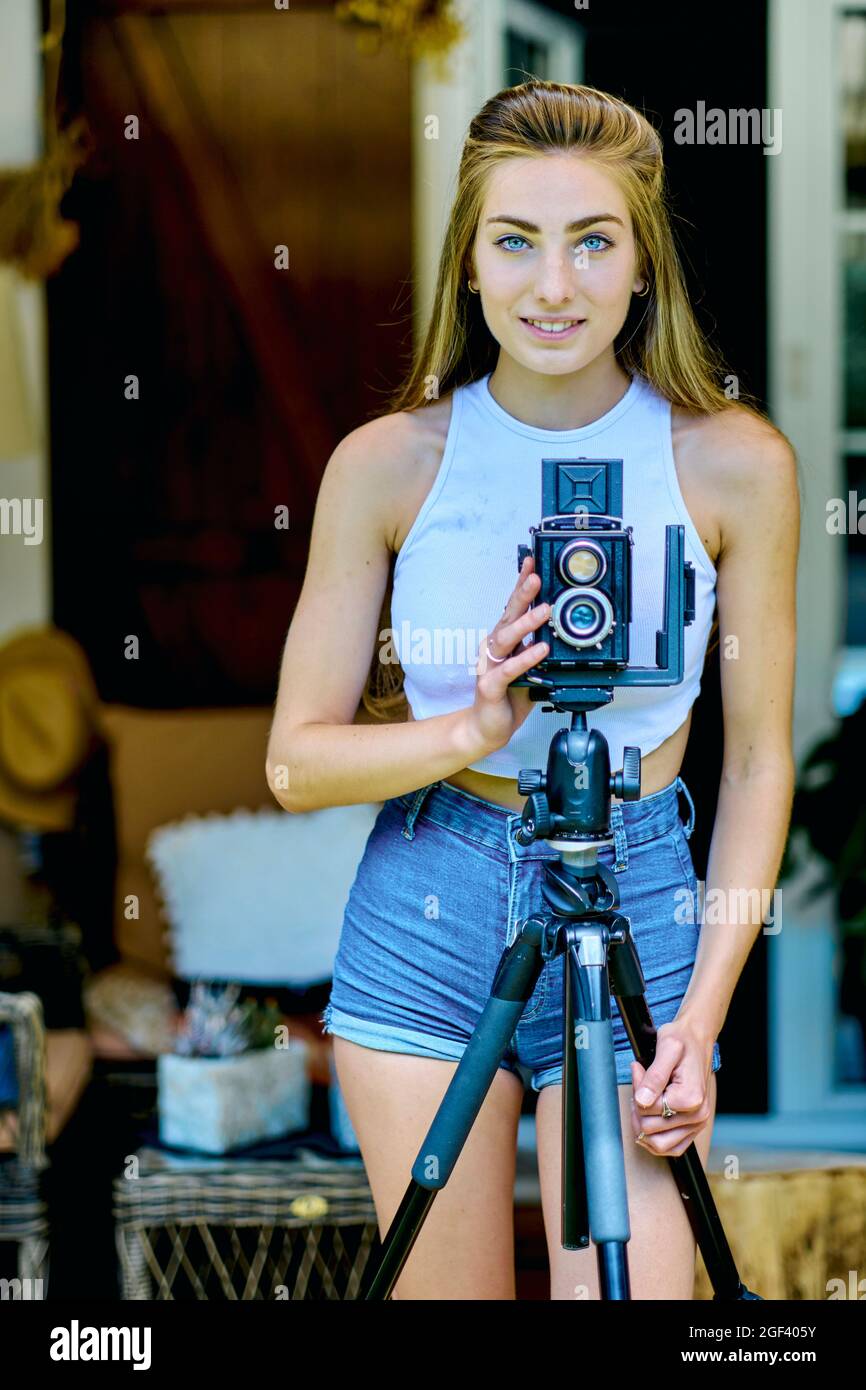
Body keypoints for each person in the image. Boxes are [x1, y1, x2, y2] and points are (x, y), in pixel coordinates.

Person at [266, 80, 799, 1300]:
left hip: (646, 894)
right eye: (513, 241)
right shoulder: (386, 462)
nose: (550, 285)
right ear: (466, 262)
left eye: (590, 241)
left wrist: (701, 1017)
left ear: (638, 267)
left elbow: (758, 762)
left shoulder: (733, 464)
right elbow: (294, 764)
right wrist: (470, 725)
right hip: (429, 900)